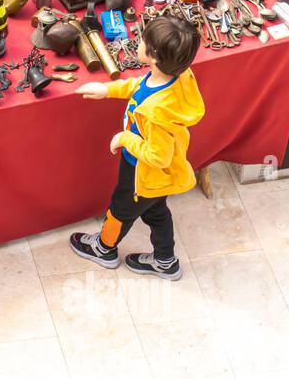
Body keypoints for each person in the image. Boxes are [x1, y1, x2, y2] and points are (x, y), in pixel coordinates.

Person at [69, 14, 205, 281]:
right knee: (156, 212)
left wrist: (124, 139)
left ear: (153, 56)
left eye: (143, 40)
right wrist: (108, 90)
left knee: (120, 211)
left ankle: (104, 249)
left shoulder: (157, 113)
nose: (138, 41)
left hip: (141, 173)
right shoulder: (175, 75)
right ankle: (166, 262)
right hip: (157, 179)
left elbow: (158, 156)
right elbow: (139, 86)